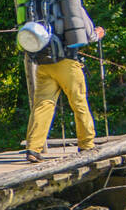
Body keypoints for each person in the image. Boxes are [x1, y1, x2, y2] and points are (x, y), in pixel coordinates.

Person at [25, 20, 106, 162]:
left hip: (44, 63)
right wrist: (98, 34)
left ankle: (33, 148)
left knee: (43, 105)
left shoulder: (38, 3)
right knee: (78, 102)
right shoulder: (69, 1)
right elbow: (87, 35)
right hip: (67, 62)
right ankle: (86, 144)